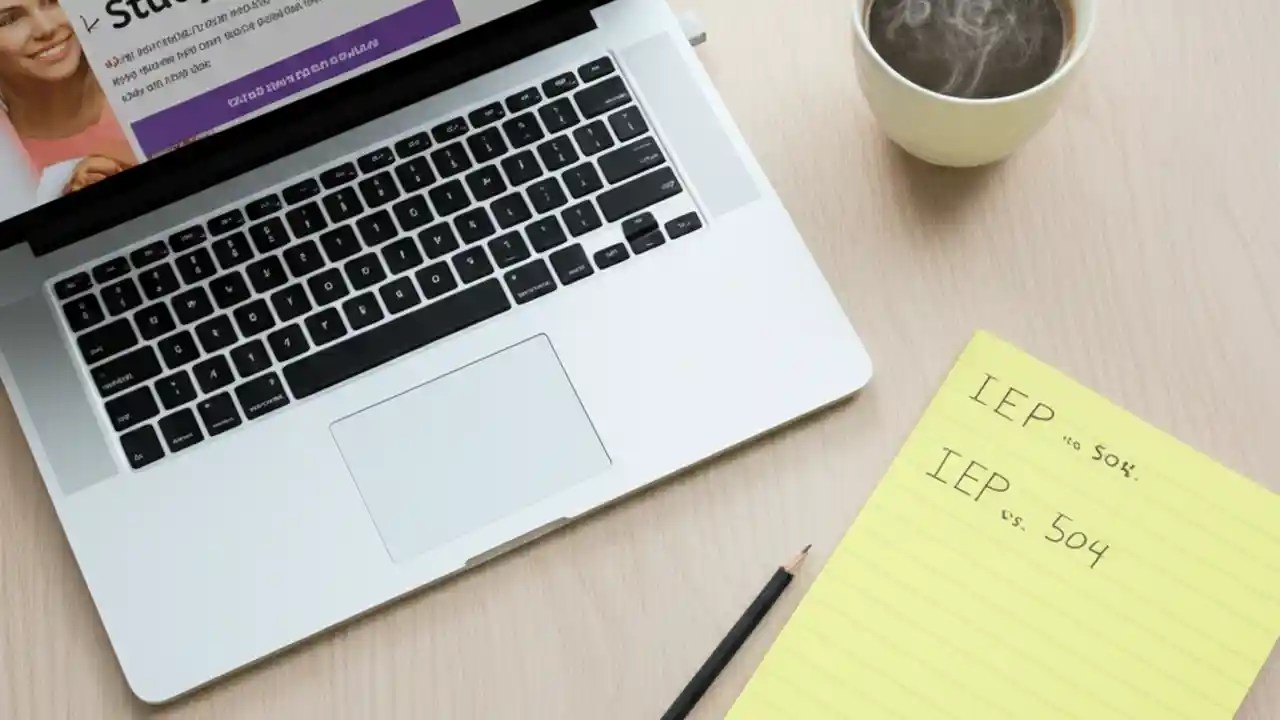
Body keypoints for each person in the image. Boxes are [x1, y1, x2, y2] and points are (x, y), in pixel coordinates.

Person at [0, 0, 137, 196]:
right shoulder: (8, 160)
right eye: (8, 20)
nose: (46, 28)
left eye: (53, 2)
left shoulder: (153, 79)